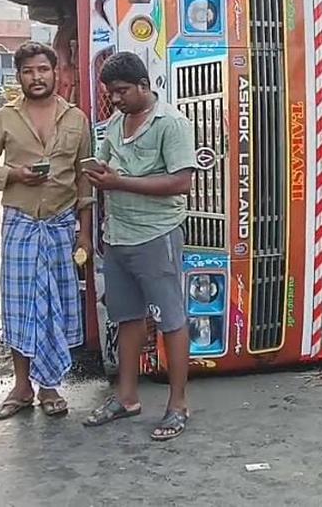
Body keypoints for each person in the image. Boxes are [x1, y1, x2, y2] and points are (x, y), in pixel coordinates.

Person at [0, 41, 93, 420]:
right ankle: (22, 388)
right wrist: (14, 175)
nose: (36, 77)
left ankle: (51, 388)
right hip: (20, 224)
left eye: (42, 69)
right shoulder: (3, 119)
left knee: (56, 307)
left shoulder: (76, 119)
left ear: (56, 72)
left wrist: (84, 233)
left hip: (60, 225)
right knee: (21, 307)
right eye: (28, 71)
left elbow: (85, 180)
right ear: (19, 76)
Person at [82, 52, 197, 441]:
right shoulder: (116, 123)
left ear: (144, 86)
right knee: (127, 318)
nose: (115, 99)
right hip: (118, 237)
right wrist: (97, 176)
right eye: (110, 93)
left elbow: (182, 182)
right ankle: (126, 398)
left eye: (121, 92)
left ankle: (177, 405)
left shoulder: (172, 123)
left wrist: (119, 183)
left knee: (171, 320)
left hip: (157, 235)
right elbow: (104, 166)